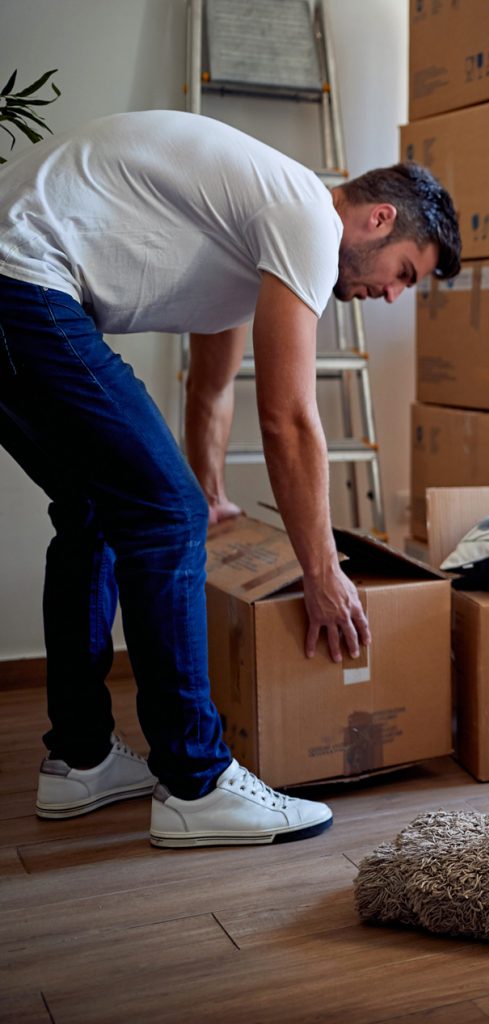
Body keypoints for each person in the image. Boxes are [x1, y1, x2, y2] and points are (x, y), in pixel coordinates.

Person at [0, 109, 461, 846]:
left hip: (14, 286)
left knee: (94, 506)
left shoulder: (257, 240)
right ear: (378, 218)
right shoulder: (307, 215)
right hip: (21, 280)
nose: (393, 295)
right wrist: (322, 573)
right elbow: (288, 419)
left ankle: (79, 760)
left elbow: (212, 390)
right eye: (404, 271)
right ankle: (196, 782)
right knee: (161, 514)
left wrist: (211, 491)